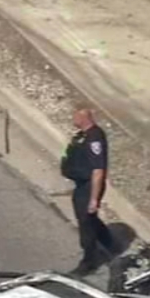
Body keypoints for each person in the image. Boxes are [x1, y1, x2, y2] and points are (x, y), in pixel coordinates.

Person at [60, 108, 117, 274]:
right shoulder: (82, 136)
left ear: (83, 117)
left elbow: (98, 170)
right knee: (89, 217)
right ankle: (108, 241)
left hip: (89, 186)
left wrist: (94, 198)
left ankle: (89, 261)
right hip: (81, 184)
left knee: (85, 223)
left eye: (75, 116)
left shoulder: (94, 138)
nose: (73, 119)